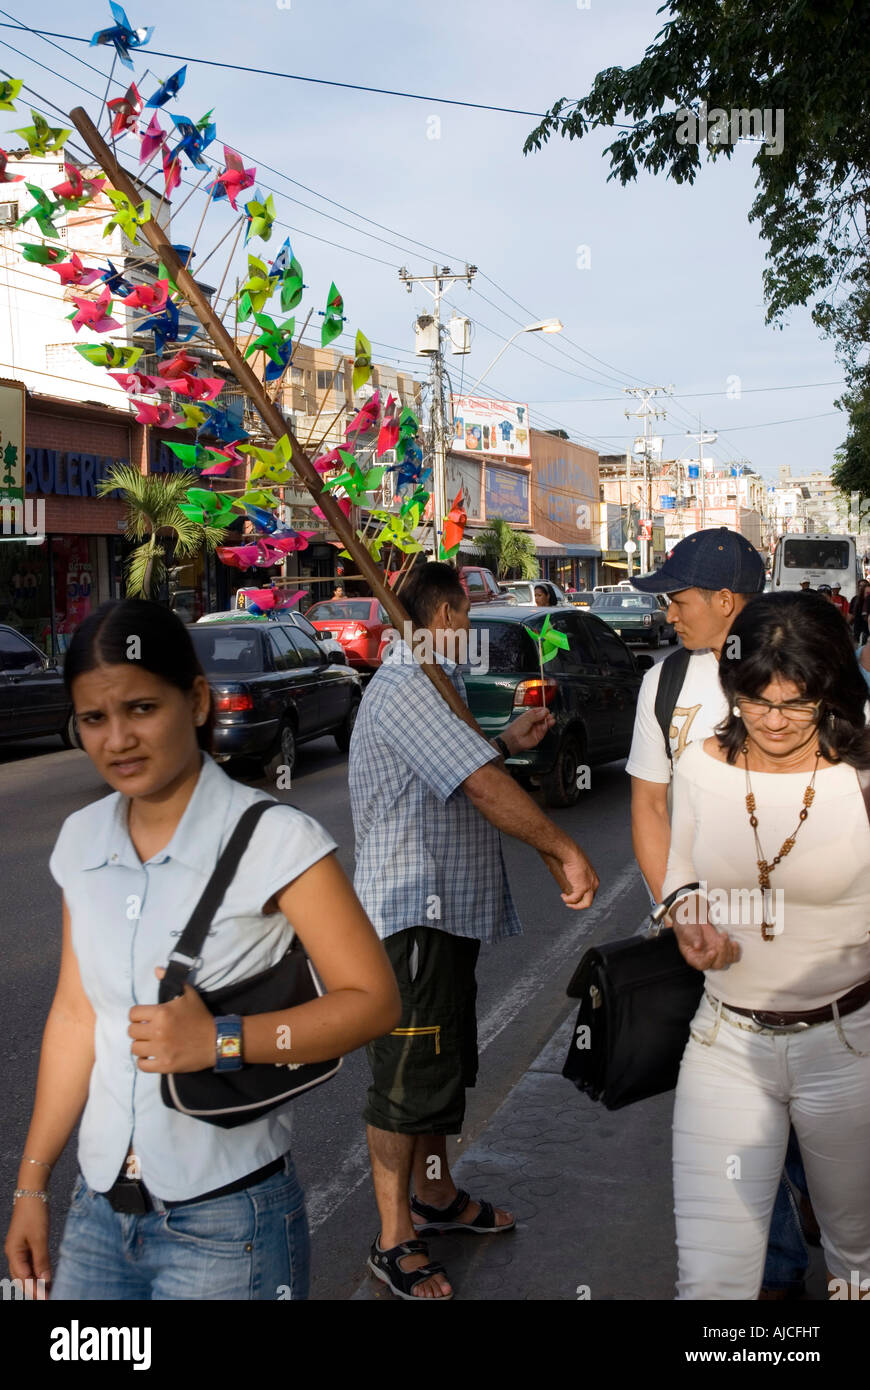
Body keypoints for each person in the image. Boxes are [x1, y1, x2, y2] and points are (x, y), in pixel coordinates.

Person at [4, 600, 400, 1301]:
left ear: (193, 700)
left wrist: (222, 1041)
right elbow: (74, 1017)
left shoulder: (280, 840)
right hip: (96, 1211)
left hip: (227, 1224)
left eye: (140, 709)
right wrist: (32, 1183)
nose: (118, 739)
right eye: (94, 719)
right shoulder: (81, 841)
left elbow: (373, 1002)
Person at [349, 562, 598, 1300]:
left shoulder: (433, 682)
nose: (476, 632)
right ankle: (395, 1238)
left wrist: (511, 740)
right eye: (473, 615)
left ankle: (434, 1195)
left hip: (444, 915)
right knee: (406, 1080)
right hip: (411, 918)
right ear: (450, 615)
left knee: (442, 1069)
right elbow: (480, 787)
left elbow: (470, 760)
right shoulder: (404, 685)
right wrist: (563, 848)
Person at [665, 592, 870, 1299]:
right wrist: (687, 919)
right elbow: (679, 874)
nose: (775, 721)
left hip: (852, 1046)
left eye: (797, 703)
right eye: (756, 701)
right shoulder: (698, 765)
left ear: (832, 689)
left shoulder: (862, 777)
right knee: (712, 1278)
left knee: (857, 1260)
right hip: (725, 1040)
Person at [626, 527, 813, 1299]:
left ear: (728, 601)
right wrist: (677, 903)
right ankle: (774, 1283)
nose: (668, 613)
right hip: (707, 952)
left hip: (809, 951)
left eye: (679, 598)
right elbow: (646, 800)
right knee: (739, 1128)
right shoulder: (665, 683)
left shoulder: (810, 671)